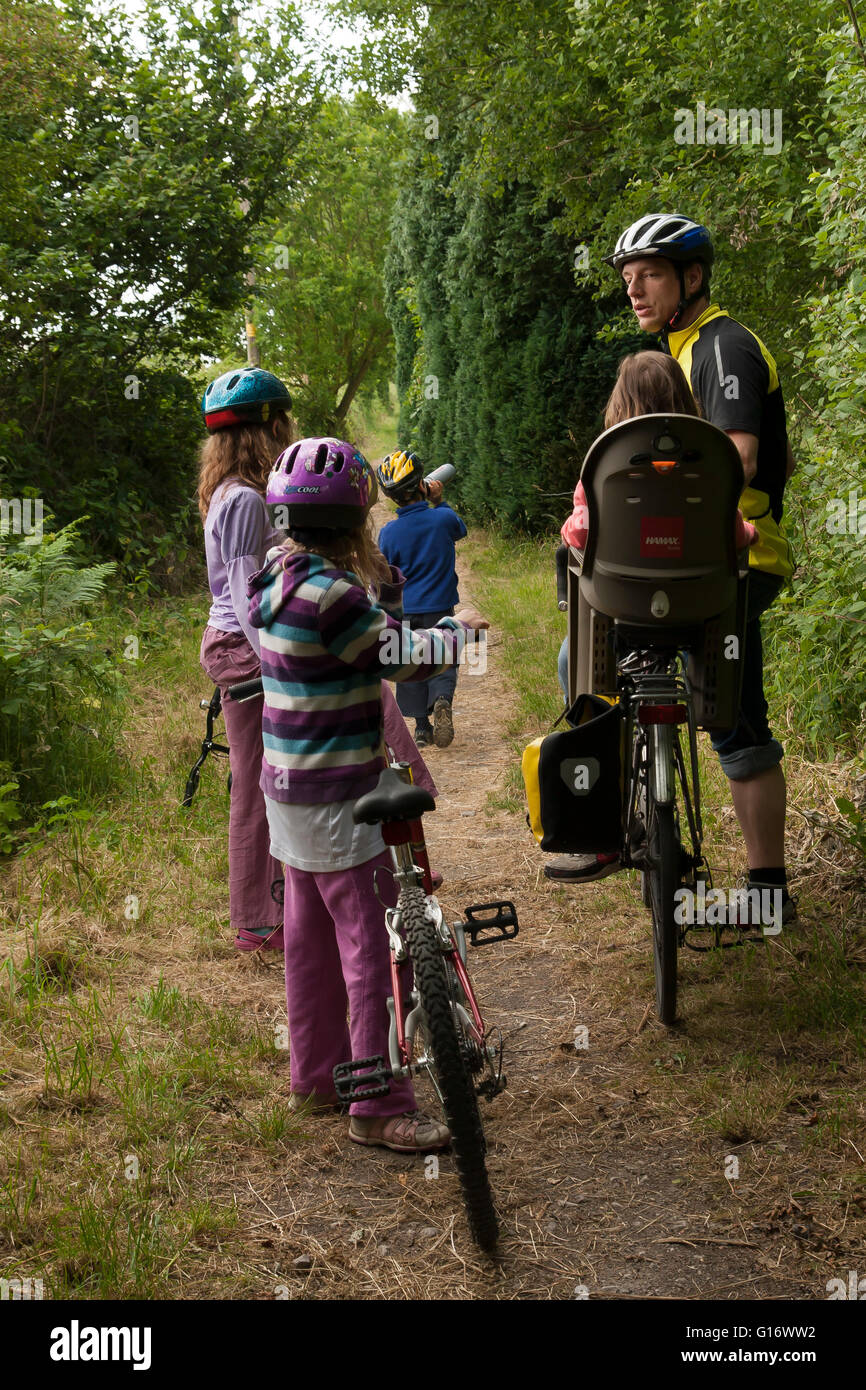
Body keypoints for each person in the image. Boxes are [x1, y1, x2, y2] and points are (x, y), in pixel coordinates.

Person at [248, 436, 489, 1152]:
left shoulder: (277, 577)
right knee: (373, 947)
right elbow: (400, 658)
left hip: (287, 796)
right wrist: (456, 634)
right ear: (357, 519)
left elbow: (361, 627)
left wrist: (381, 585)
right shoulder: (335, 596)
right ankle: (380, 1102)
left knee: (310, 942)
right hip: (343, 798)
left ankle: (319, 1075)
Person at [556, 214, 796, 922]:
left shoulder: (723, 346)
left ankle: (765, 891)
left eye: (651, 275)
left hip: (735, 561)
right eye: (629, 279)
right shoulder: (678, 353)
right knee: (674, 689)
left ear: (692, 277)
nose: (635, 290)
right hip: (685, 562)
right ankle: (640, 827)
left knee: (733, 717)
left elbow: (740, 459)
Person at [547, 352, 758, 884]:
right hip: (700, 613)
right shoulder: (711, 462)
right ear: (685, 400)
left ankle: (605, 810)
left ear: (618, 404)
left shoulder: (606, 463)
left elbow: (578, 533)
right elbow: (739, 535)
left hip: (621, 613)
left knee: (573, 663)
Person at [198, 366, 294, 951]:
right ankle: (259, 919)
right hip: (245, 647)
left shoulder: (244, 493)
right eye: (284, 422)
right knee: (258, 780)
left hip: (248, 642)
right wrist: (279, 661)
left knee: (272, 773)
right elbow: (242, 588)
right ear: (270, 429)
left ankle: (287, 900)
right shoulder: (243, 500)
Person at [376, 450, 468, 749]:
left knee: (411, 660)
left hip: (406, 609)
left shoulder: (389, 532)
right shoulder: (443, 518)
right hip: (439, 605)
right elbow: (460, 530)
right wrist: (439, 501)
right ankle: (442, 699)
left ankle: (422, 728)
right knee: (443, 657)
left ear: (391, 497)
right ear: (422, 485)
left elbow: (385, 572)